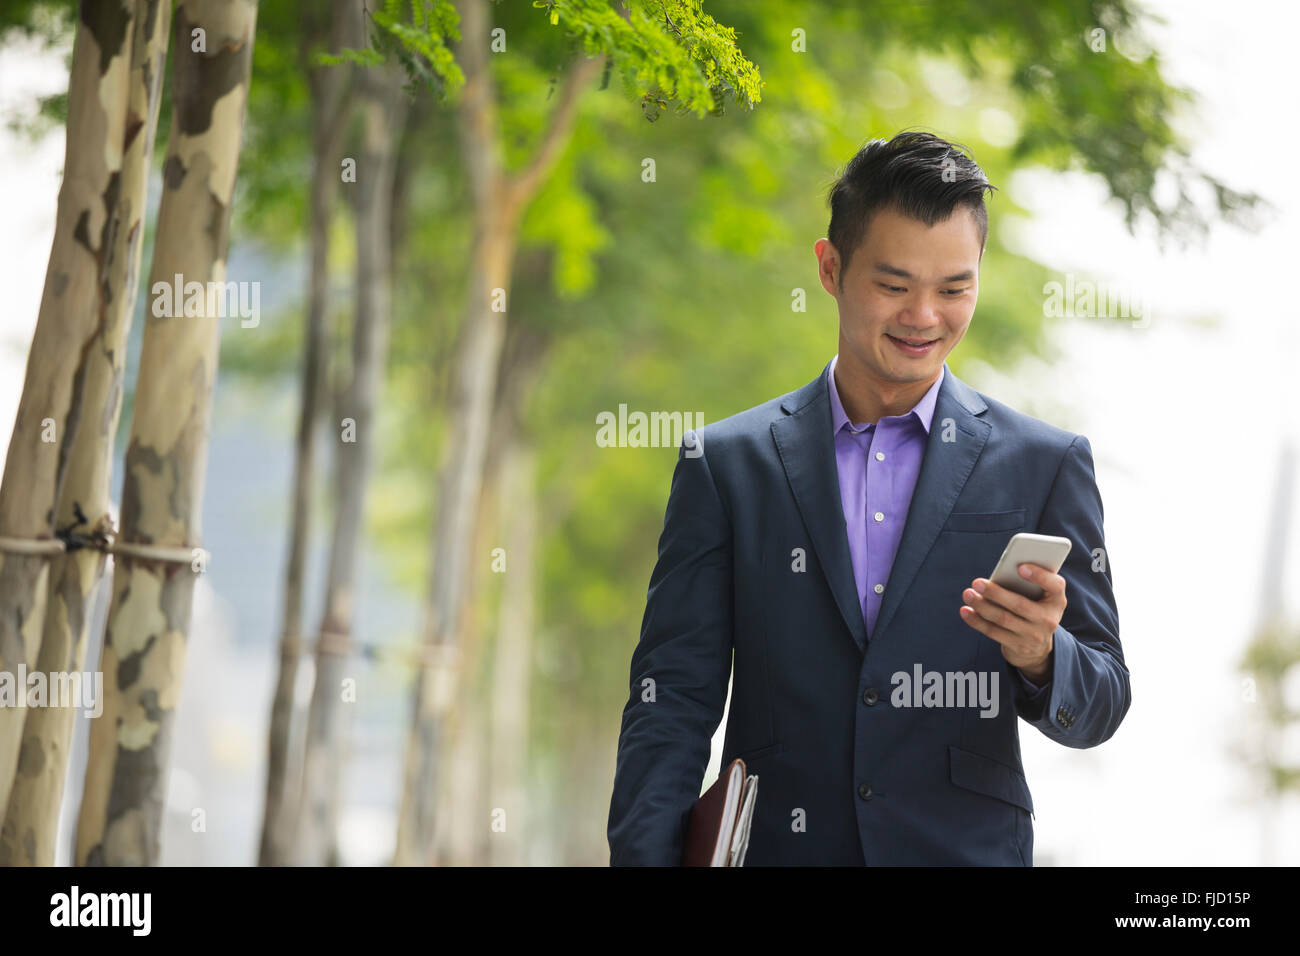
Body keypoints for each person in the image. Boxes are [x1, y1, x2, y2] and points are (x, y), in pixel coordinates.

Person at [606, 130, 1132, 866]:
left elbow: (1103, 699)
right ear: (830, 268)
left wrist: (1042, 656)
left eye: (955, 288)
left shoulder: (1045, 464)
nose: (924, 317)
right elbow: (673, 703)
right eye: (893, 285)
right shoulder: (728, 465)